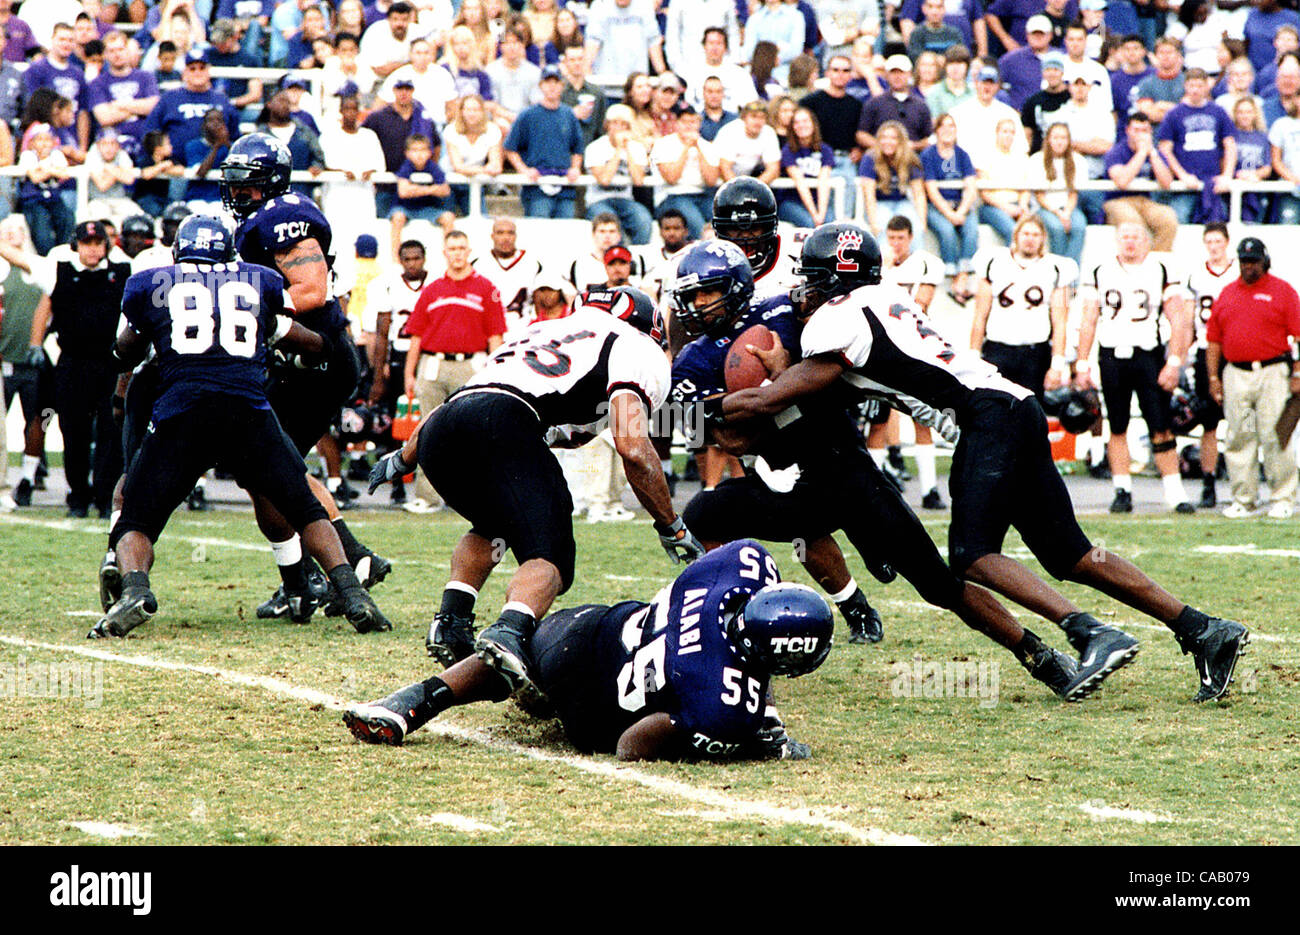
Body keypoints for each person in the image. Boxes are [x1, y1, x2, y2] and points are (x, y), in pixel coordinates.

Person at [712, 221, 1251, 704]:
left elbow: (770, 400)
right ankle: (1203, 629)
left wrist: (712, 403)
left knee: (971, 555)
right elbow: (855, 386)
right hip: (1013, 405)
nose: (803, 286)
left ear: (839, 276)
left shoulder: (838, 316)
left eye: (813, 275)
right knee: (1072, 554)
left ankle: (1089, 631)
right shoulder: (881, 299)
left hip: (985, 416)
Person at [669, 238, 1081, 683]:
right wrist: (761, 398)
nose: (696, 305)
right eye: (689, 296)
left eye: (705, 293)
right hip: (787, 484)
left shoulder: (785, 312)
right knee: (703, 514)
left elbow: (838, 368)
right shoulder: (692, 360)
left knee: (938, 584)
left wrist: (774, 383)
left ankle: (1037, 654)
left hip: (847, 471)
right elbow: (722, 439)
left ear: (735, 286)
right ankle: (726, 637)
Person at [368, 287, 703, 688]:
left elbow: (464, 402)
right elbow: (632, 446)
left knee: (496, 522)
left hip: (441, 432)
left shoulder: (541, 332)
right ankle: (509, 630)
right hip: (504, 422)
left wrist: (402, 459)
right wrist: (671, 525)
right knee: (551, 553)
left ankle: (451, 620)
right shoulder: (635, 344)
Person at [90, 215, 393, 639]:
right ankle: (352, 593)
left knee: (135, 518)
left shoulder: (151, 283)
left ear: (179, 252)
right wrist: (320, 350)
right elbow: (301, 337)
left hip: (183, 413)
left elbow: (124, 352)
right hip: (248, 413)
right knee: (304, 507)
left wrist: (128, 351)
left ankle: (135, 591)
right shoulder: (258, 281)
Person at [345, 540, 829, 760]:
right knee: (595, 705)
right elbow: (631, 745)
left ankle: (412, 702)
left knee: (525, 656)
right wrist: (744, 740)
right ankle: (543, 697)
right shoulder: (725, 706)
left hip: (588, 632)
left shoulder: (744, 562)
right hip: (597, 717)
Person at [219, 132, 393, 620]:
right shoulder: (264, 217)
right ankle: (329, 570)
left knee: (274, 469)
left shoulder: (283, 219)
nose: (234, 192)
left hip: (316, 357)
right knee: (267, 470)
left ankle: (328, 571)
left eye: (243, 183)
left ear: (268, 182)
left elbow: (311, 289)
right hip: (299, 360)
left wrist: (254, 306)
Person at [7, 220, 129, 517]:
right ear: (76, 245)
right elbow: (21, 262)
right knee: (73, 430)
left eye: (98, 243)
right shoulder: (58, 269)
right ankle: (77, 497)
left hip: (109, 363)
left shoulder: (124, 272)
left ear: (106, 245)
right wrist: (36, 345)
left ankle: (104, 498)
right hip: (72, 362)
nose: (92, 249)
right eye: (87, 243)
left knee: (109, 433)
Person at [1076, 221, 1195, 515]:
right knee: (1117, 425)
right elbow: (1089, 320)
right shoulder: (1100, 271)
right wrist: (1081, 363)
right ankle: (1122, 489)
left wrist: (1174, 361)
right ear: (1117, 241)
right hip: (1112, 356)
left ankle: (1175, 492)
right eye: (1125, 237)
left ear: (1146, 241)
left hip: (1148, 355)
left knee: (1161, 425)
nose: (1130, 242)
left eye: (1136, 237)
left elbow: (1179, 319)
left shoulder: (1161, 268)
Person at [401, 229, 506, 512]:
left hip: (471, 364)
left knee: (475, 431)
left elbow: (496, 336)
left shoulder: (486, 288)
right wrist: (409, 374)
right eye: (452, 248)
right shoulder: (432, 289)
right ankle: (427, 496)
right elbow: (417, 336)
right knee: (428, 431)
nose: (457, 253)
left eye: (462, 248)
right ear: (445, 252)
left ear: (469, 251)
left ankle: (479, 497)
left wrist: (498, 374)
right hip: (433, 364)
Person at [1206, 237, 1300, 519]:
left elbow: (1298, 335)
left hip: (1272, 374)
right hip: (1237, 376)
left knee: (1276, 435)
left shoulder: (1282, 291)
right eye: (1244, 262)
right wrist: (1213, 377)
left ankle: (1282, 497)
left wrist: (1297, 372)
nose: (1249, 267)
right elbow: (1214, 339)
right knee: (1241, 435)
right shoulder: (1228, 293)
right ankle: (1244, 498)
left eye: (1254, 262)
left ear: (1264, 261)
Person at [879, 214, 946, 508]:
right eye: (891, 238)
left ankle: (929, 489)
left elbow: (920, 305)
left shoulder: (925, 263)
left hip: (915, 349)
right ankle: (877, 488)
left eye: (900, 238)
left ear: (910, 237)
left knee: (922, 419)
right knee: (878, 421)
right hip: (881, 350)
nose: (895, 244)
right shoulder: (879, 263)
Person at [970, 214, 1075, 400]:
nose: (1030, 239)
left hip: (1035, 353)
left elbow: (1060, 322)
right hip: (997, 350)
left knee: (1030, 416)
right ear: (1016, 235)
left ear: (1043, 238)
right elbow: (980, 316)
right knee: (995, 412)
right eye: (1026, 233)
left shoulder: (1056, 267)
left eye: (1035, 234)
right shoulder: (994, 262)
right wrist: (973, 358)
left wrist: (1057, 365)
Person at [1182, 222, 1234, 509]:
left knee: (1244, 420)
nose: (1214, 247)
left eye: (1218, 241)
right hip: (1206, 352)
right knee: (1209, 422)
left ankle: (1244, 480)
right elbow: (1189, 319)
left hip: (1236, 351)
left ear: (1226, 242)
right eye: (1209, 241)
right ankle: (1209, 481)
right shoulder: (1196, 275)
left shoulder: (1240, 271)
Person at [1156, 67, 1237, 223]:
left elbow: (1230, 145)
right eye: (1192, 85)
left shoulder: (1218, 112)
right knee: (1179, 219)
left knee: (1219, 223)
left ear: (1207, 86)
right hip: (1185, 186)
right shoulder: (1174, 114)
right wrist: (1182, 175)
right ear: (1185, 86)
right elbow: (1165, 149)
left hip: (1213, 183)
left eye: (1199, 86)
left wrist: (1227, 175)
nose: (1195, 90)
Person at [504, 65, 584, 219]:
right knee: (538, 229)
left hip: (564, 185)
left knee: (566, 228)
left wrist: (575, 168)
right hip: (537, 187)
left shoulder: (569, 114)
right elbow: (510, 148)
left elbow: (577, 148)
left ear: (562, 85)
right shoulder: (528, 115)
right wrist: (524, 170)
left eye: (556, 82)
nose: (552, 86)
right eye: (548, 82)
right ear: (541, 85)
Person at [920, 112, 979, 301]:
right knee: (947, 231)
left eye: (951, 126)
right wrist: (949, 213)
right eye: (943, 126)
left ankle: (961, 277)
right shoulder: (928, 155)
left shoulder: (962, 155)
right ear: (936, 131)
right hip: (937, 207)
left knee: (971, 228)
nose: (947, 130)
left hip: (959, 205)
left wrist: (960, 211)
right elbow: (931, 189)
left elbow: (971, 187)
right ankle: (952, 275)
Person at [1103, 113, 1178, 250]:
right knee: (1133, 224)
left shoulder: (1153, 152)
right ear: (1127, 130)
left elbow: (1167, 182)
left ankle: (1157, 262)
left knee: (1168, 218)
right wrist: (1141, 153)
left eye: (1144, 130)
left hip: (1145, 201)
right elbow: (1122, 181)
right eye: (1136, 130)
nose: (1140, 135)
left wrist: (1153, 154)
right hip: (1117, 201)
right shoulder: (1116, 152)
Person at [584, 104, 653, 245]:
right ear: (607, 125)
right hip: (598, 200)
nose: (619, 128)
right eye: (615, 123)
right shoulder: (595, 147)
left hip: (625, 199)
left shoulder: (636, 148)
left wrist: (627, 149)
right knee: (611, 225)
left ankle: (638, 260)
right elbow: (604, 179)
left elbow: (638, 180)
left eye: (624, 125)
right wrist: (618, 149)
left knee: (643, 219)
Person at [651, 105, 722, 238]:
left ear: (699, 124)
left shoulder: (707, 146)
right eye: (684, 122)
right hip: (672, 195)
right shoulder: (663, 144)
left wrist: (698, 150)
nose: (689, 126)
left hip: (702, 195)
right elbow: (671, 178)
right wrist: (687, 148)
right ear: (676, 123)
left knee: (722, 221)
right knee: (699, 227)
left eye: (693, 122)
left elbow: (711, 180)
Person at [1027, 122, 1089, 266]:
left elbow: (1073, 193)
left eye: (1063, 138)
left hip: (1068, 207)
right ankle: (1057, 271)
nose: (1059, 141)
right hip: (1045, 208)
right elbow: (1039, 195)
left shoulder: (1077, 160)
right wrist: (1058, 214)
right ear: (1048, 139)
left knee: (1079, 226)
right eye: (1055, 137)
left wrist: (1066, 213)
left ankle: (1072, 275)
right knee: (1056, 227)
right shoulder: (1037, 159)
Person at [471, 217, 544, 330]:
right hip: (487, 331)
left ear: (516, 236)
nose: (506, 238)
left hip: (522, 330)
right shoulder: (478, 265)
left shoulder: (533, 263)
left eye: (510, 233)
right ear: (492, 236)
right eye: (500, 233)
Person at [858, 120, 926, 240]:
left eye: (893, 138)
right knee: (883, 226)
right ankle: (886, 259)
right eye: (884, 137)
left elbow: (919, 194)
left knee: (915, 228)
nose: (887, 142)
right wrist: (874, 223)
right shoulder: (870, 158)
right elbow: (869, 196)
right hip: (880, 203)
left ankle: (915, 258)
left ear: (900, 141)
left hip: (902, 202)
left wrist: (922, 222)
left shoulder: (910, 158)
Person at [855, 54, 934, 151]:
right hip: (881, 160)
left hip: (911, 158)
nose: (897, 77)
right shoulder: (874, 103)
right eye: (893, 72)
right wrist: (883, 145)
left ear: (909, 74)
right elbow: (861, 134)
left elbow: (929, 138)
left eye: (901, 72)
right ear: (887, 75)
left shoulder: (921, 105)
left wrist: (914, 145)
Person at [778, 107, 834, 227]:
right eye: (797, 122)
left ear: (813, 124)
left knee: (829, 223)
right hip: (792, 201)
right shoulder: (788, 150)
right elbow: (800, 182)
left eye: (805, 121)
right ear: (792, 127)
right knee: (809, 222)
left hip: (818, 201)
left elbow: (823, 181)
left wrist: (821, 214)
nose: (801, 125)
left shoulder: (825, 150)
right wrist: (814, 215)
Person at [713, 98, 783, 184]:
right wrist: (740, 189)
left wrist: (753, 188)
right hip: (717, 182)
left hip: (747, 179)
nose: (757, 122)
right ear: (744, 118)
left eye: (762, 117)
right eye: (753, 116)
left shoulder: (769, 133)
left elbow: (773, 169)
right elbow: (725, 168)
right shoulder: (730, 131)